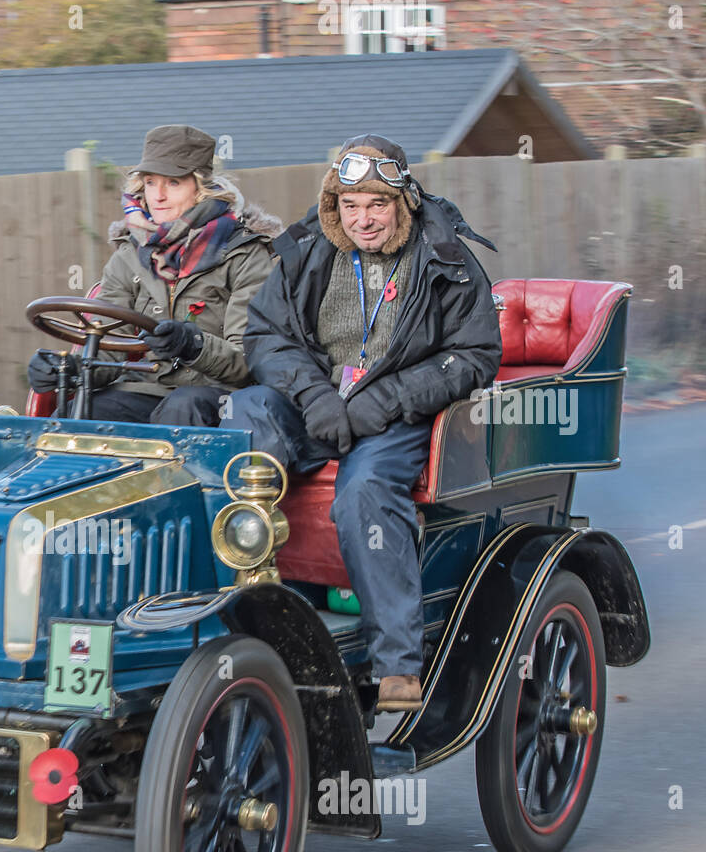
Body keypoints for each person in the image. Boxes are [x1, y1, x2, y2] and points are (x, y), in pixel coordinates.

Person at [233, 135, 502, 712]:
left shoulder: (447, 259)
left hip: (394, 415)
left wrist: (386, 400)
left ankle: (397, 664)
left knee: (364, 494)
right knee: (242, 426)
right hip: (318, 405)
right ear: (334, 207)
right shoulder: (307, 251)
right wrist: (315, 397)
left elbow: (476, 355)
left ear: (401, 203)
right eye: (350, 206)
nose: (364, 219)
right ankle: (240, 610)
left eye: (376, 205)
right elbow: (265, 337)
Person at [27, 124, 281, 422]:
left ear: (201, 189)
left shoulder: (245, 254)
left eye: (173, 183)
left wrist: (194, 345)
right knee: (71, 415)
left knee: (183, 408)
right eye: (150, 182)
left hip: (226, 397)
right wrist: (67, 369)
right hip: (151, 390)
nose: (157, 196)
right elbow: (107, 353)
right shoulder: (129, 255)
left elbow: (248, 361)